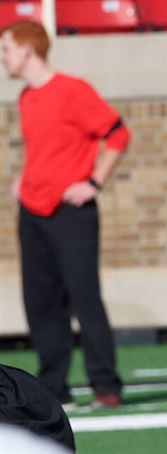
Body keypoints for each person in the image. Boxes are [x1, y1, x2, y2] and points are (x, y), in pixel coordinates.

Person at [1, 21, 127, 409]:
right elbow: (46, 148)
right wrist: (23, 177)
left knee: (84, 298)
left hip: (71, 213)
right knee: (40, 302)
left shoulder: (73, 90)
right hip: (32, 213)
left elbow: (118, 135)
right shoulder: (25, 98)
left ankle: (105, 386)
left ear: (27, 49)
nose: (2, 57)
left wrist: (94, 181)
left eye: (6, 48)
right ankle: (54, 388)